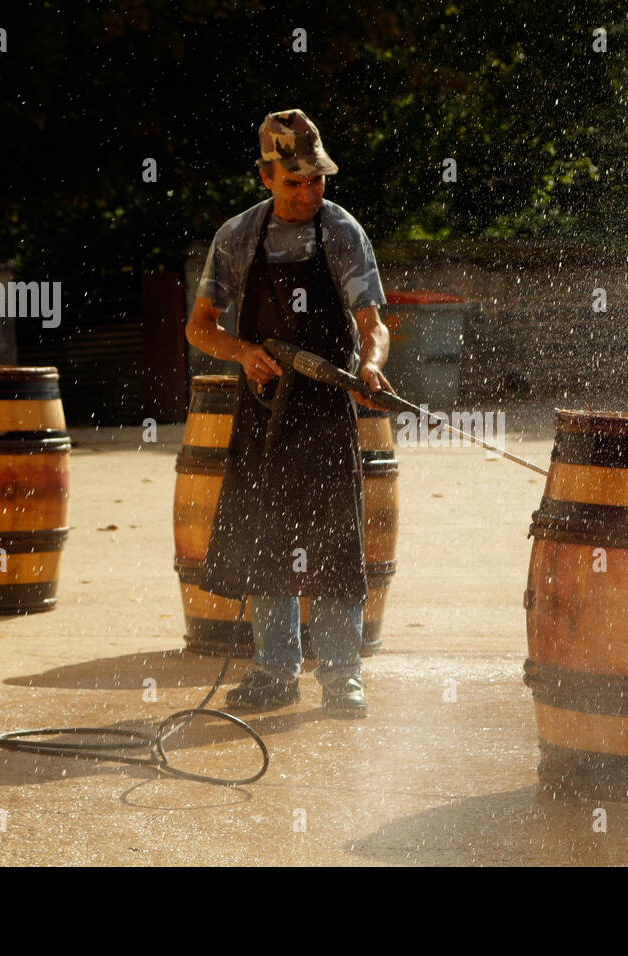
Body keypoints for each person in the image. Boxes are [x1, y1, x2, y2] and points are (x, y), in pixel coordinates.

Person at [185, 109, 393, 718]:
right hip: (264, 409)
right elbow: (200, 329)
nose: (306, 193)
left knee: (335, 545)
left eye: (316, 181)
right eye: (293, 181)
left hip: (328, 410)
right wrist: (242, 351)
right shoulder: (237, 237)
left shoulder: (342, 233)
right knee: (268, 542)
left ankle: (341, 678)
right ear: (265, 176)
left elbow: (371, 324)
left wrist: (372, 366)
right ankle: (274, 672)